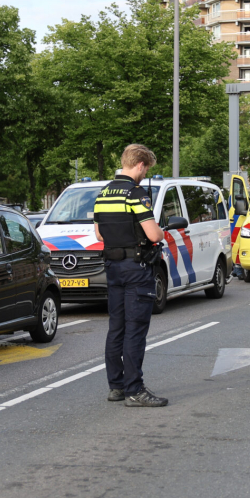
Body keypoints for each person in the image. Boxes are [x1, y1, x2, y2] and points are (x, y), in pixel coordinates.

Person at [94, 144, 168, 408]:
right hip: (136, 269)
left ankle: (116, 386)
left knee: (117, 327)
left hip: (112, 268)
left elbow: (99, 234)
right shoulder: (135, 194)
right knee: (135, 330)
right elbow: (153, 235)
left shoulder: (103, 193)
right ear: (140, 165)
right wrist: (157, 232)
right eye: (146, 169)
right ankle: (134, 390)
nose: (145, 174)